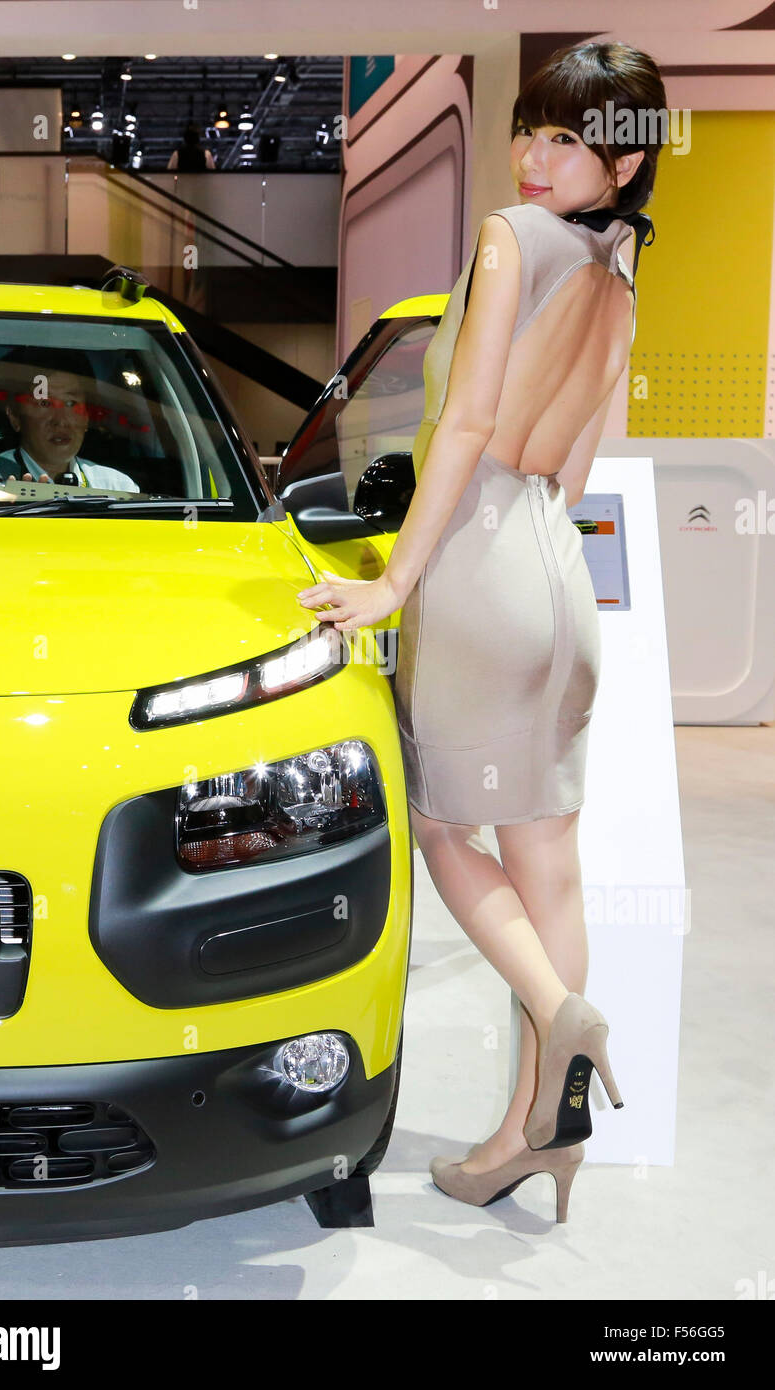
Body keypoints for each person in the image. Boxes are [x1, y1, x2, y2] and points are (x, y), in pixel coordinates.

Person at [297, 40, 664, 1222]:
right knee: (546, 857)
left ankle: (562, 1020)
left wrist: (394, 582)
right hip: (560, 569)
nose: (531, 154)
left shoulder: (511, 235)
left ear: (624, 154)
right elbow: (577, 458)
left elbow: (460, 430)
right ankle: (527, 1132)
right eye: (529, 129)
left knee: (446, 825)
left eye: (565, 136)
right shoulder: (618, 268)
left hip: (484, 564)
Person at [0, 358, 140, 500]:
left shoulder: (115, 486)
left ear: (87, 418)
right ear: (15, 417)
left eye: (71, 403)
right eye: (45, 404)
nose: (60, 420)